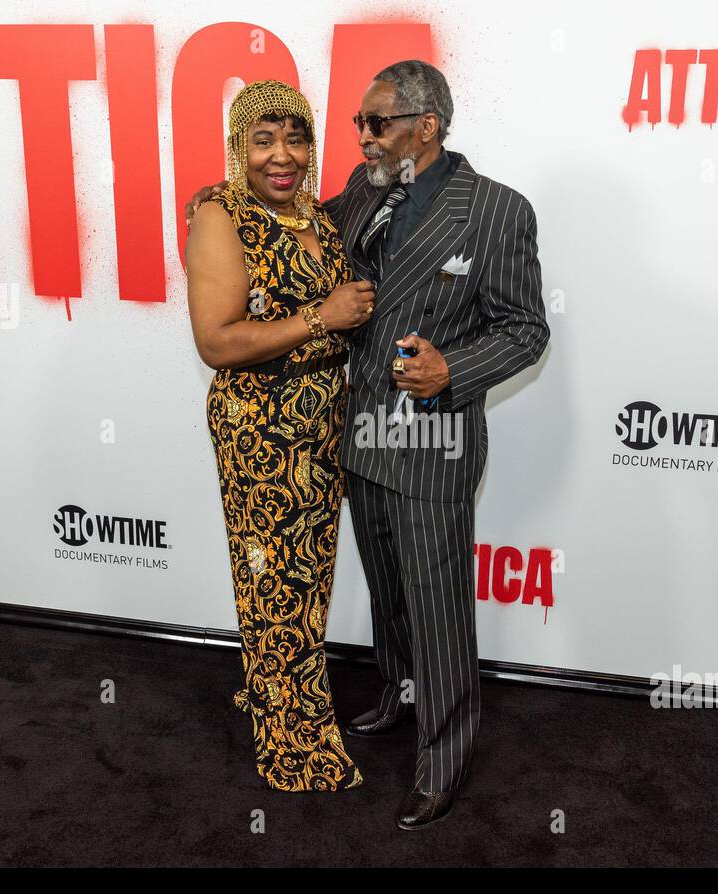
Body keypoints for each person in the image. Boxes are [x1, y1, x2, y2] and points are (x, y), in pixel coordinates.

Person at [188, 61, 549, 828]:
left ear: (428, 125)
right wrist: (220, 207)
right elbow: (289, 224)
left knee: (439, 604)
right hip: (352, 431)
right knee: (389, 592)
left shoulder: (495, 209)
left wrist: (453, 367)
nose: (360, 137)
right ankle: (396, 692)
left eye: (375, 123)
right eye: (356, 124)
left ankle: (442, 757)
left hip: (433, 438)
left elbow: (525, 329)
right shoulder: (361, 190)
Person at [183, 79, 376, 792]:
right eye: (262, 140)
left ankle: (278, 686)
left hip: (321, 424)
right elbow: (217, 340)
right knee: (273, 578)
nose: (281, 155)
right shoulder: (220, 218)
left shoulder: (315, 217)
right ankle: (291, 732)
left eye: (294, 138)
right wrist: (322, 317)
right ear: (238, 147)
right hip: (260, 427)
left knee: (305, 578)